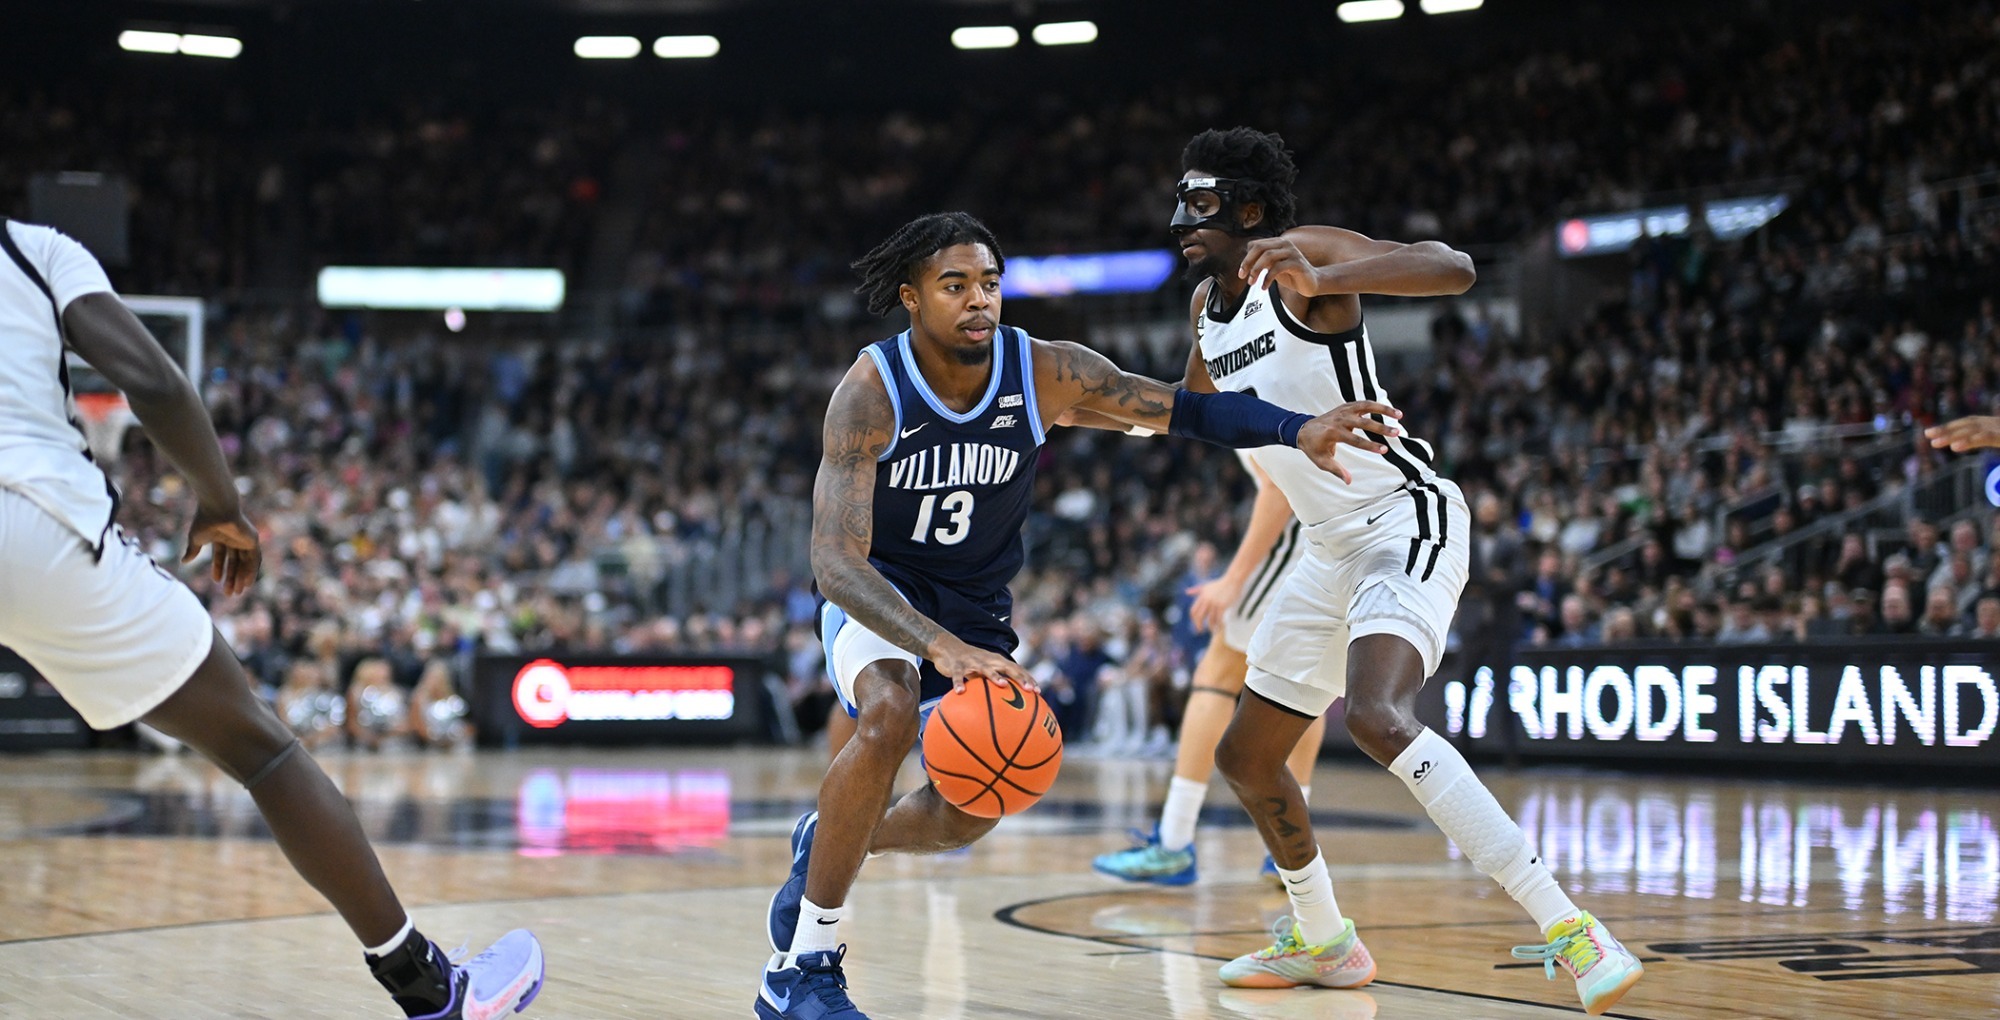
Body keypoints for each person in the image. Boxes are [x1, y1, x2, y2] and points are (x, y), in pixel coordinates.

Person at [758, 210, 1395, 1020]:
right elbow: (834, 563)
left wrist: (1296, 426)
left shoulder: (1046, 371)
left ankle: (833, 840)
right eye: (955, 286)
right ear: (911, 298)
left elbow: (1181, 409)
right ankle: (803, 967)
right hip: (883, 589)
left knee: (967, 812)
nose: (979, 300)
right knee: (885, 718)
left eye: (989, 283)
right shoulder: (870, 390)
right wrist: (938, 647)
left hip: (978, 609)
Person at [1140, 129, 1643, 1014]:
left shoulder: (1309, 253)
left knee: (1374, 716)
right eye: (1181, 203)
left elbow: (1452, 268)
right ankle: (1326, 942)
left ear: (1251, 210)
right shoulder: (1205, 310)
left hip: (1403, 518)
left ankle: (1571, 928)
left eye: (1204, 205)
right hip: (1323, 544)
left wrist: (1330, 282)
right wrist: (1101, 409)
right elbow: (1194, 413)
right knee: (1248, 759)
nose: (1183, 221)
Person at [0, 218, 544, 1019]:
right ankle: (430, 989)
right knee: (262, 751)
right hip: (32, 514)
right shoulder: (33, 250)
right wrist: (221, 503)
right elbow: (154, 382)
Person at [1090, 456, 1327, 886]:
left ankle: (1174, 844)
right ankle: (1291, 850)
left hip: (1302, 541)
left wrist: (1233, 580)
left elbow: (1279, 489)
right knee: (1310, 684)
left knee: (1216, 674)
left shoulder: (1244, 388)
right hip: (1356, 537)